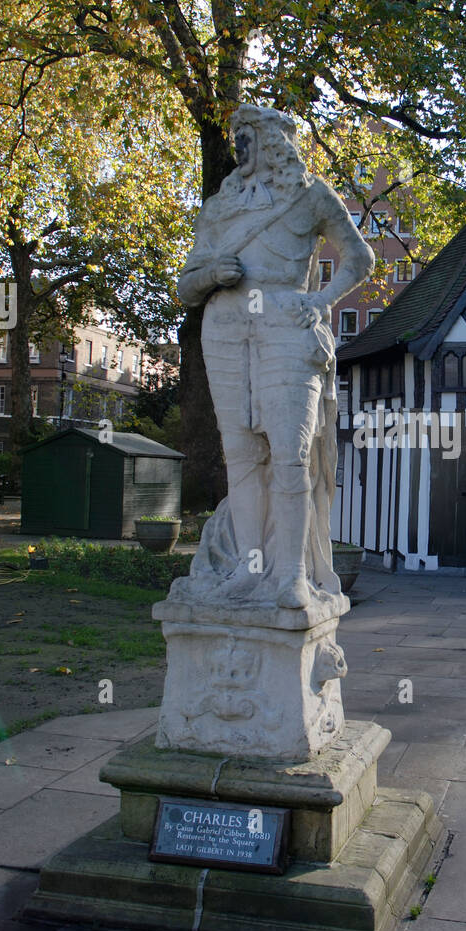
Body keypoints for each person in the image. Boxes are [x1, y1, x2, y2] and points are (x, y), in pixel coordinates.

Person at [177, 104, 374, 608]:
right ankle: (250, 567)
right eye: (237, 136)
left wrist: (320, 301)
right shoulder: (220, 207)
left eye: (248, 136)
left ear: (274, 143)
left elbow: (360, 258)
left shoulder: (310, 198)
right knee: (240, 455)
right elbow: (186, 286)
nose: (239, 147)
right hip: (224, 328)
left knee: (290, 454)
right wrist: (211, 273)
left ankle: (290, 577)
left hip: (286, 323)